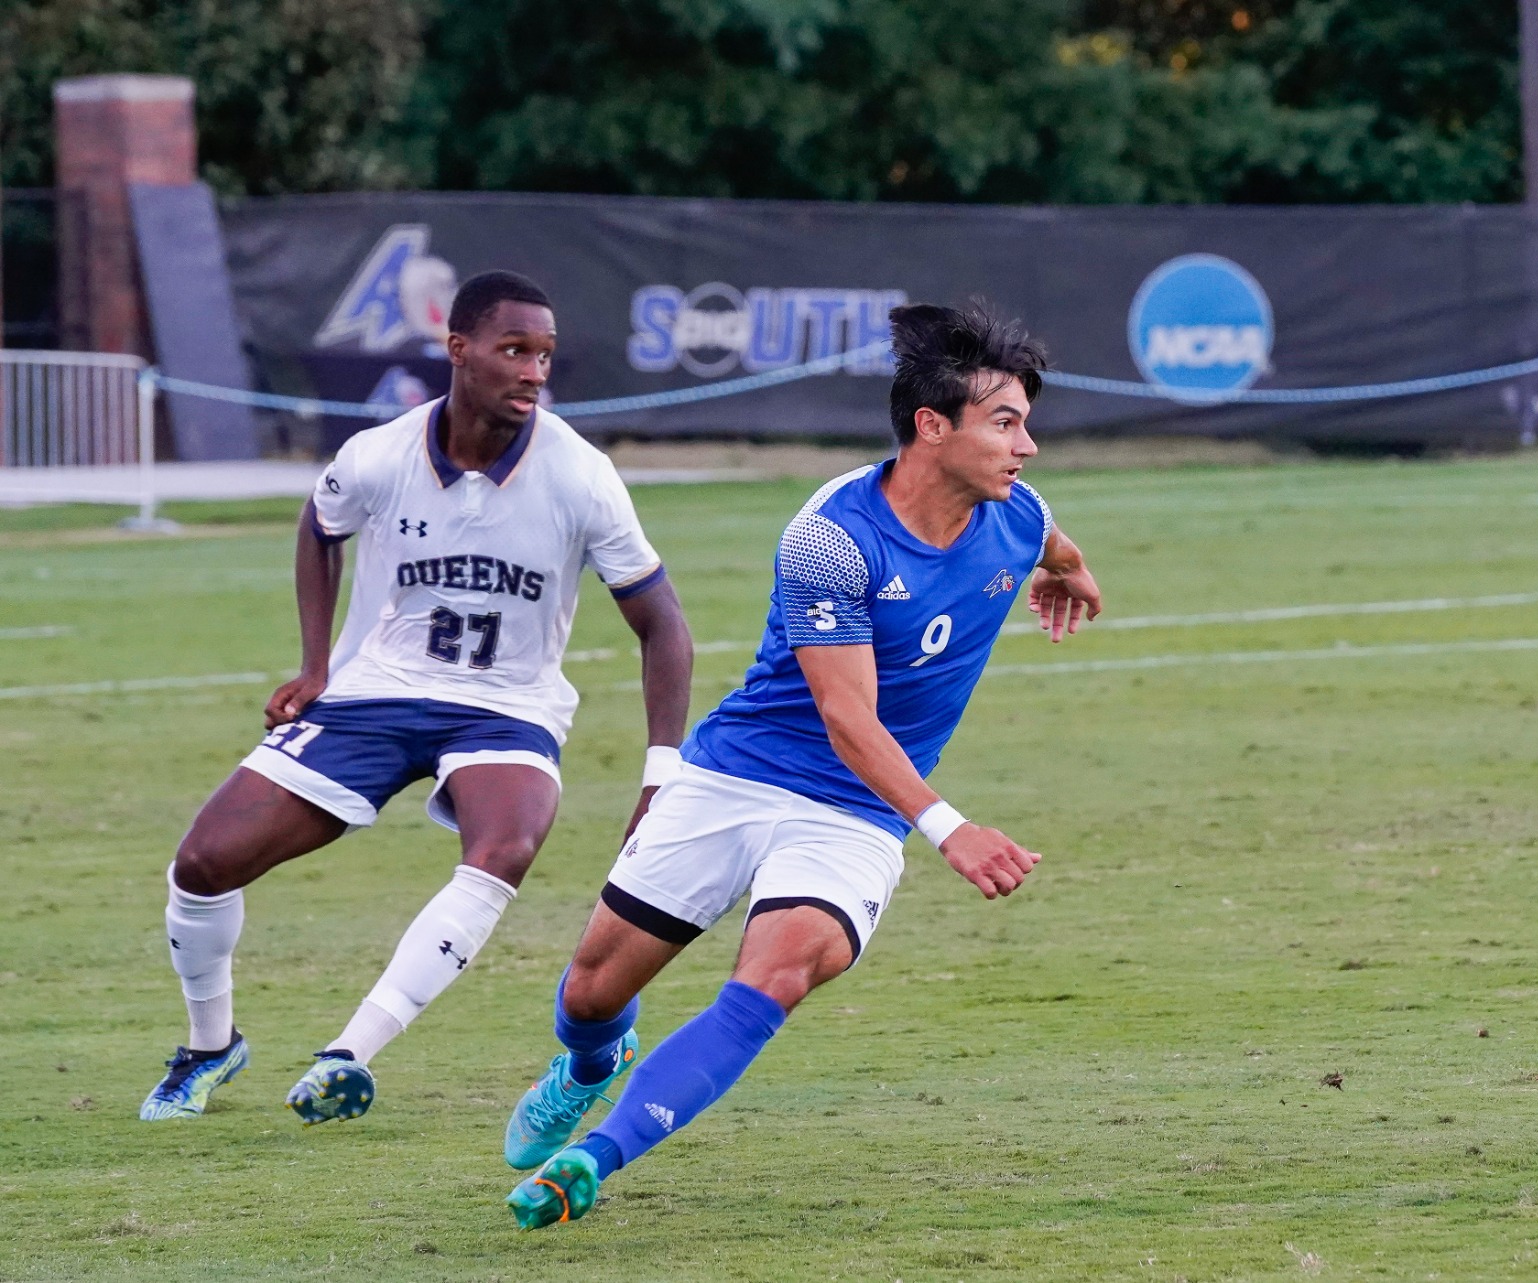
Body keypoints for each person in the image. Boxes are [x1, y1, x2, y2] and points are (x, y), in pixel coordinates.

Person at [501, 301, 1103, 1230]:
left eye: (1026, 422)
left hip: (854, 815)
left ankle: (593, 1158)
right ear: (932, 428)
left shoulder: (1017, 513)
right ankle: (591, 1063)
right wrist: (952, 828)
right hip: (739, 774)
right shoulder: (830, 535)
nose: (1028, 446)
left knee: (778, 973)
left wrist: (1070, 570)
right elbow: (845, 714)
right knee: (590, 993)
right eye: (1006, 423)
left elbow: (1049, 538)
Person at [139, 271, 695, 1125]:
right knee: (202, 864)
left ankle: (346, 1054)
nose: (533, 372)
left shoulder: (581, 476)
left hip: (507, 705)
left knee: (504, 842)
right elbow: (320, 529)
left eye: (545, 355)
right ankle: (210, 1046)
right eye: (514, 350)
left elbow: (665, 627)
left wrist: (662, 770)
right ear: (459, 349)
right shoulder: (378, 454)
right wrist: (317, 665)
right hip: (377, 692)